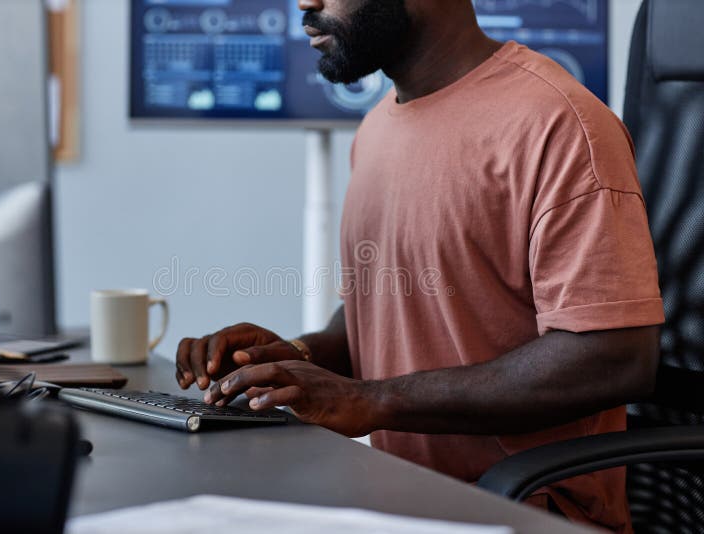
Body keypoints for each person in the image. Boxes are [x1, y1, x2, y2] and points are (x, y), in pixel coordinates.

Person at [175, 1, 664, 532]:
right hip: (397, 499)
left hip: (519, 513)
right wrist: (295, 358)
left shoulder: (560, 124)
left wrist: (372, 400)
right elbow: (384, 310)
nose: (305, 4)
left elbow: (615, 358)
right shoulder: (376, 129)